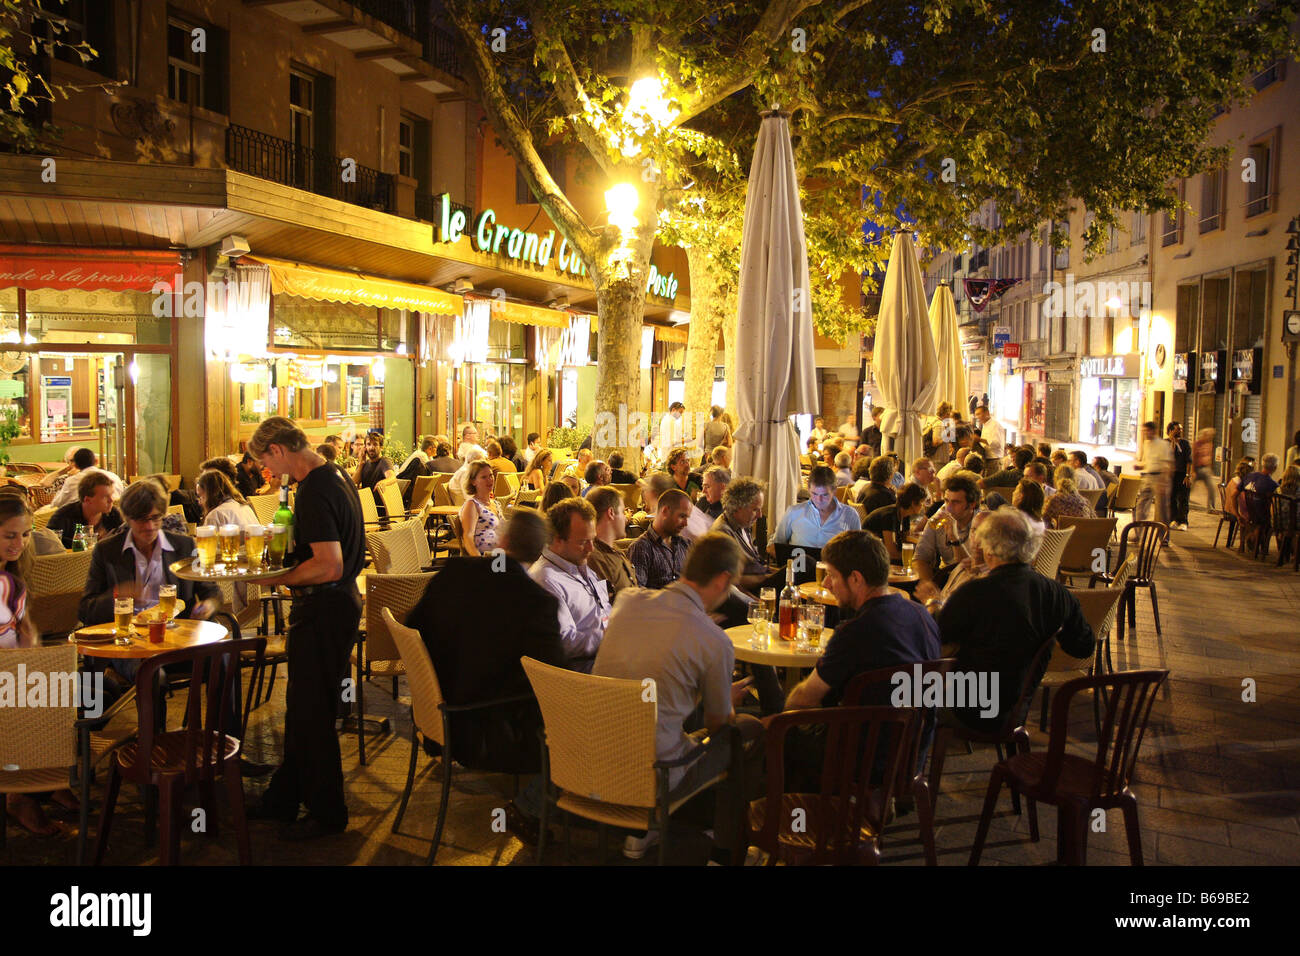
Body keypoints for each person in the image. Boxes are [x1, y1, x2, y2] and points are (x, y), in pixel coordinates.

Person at [594, 532, 764, 864]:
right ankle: (726, 852)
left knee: (665, 720)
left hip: (592, 764)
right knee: (748, 730)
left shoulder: (627, 601)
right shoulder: (714, 640)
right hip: (653, 777)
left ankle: (643, 830)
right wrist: (724, 699)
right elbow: (719, 726)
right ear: (724, 580)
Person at [245, 417, 365, 840]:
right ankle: (283, 800)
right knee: (304, 710)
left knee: (313, 714)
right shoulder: (334, 474)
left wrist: (272, 579)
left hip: (326, 607)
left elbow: (328, 563)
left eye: (264, 459)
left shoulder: (315, 488)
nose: (266, 469)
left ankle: (328, 812)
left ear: (277, 449)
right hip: (341, 602)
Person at [406, 508, 564, 777]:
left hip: (434, 710)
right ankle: (538, 803)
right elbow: (553, 676)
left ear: (501, 541)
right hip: (490, 732)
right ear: (540, 552)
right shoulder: (537, 602)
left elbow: (414, 628)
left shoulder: (454, 571)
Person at [935, 507, 1093, 732]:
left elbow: (933, 643)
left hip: (967, 706)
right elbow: (1083, 647)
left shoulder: (975, 592)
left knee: (894, 686)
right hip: (1018, 708)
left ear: (989, 549)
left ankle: (905, 759)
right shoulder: (1057, 594)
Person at [785, 529, 941, 718]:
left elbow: (803, 700)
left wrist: (775, 721)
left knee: (766, 730)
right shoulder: (923, 615)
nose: (826, 583)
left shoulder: (855, 632)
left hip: (859, 744)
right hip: (916, 741)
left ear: (856, 579)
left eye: (832, 575)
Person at [531, 497, 610, 672]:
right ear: (557, 540)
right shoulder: (545, 580)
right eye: (583, 542)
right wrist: (611, 637)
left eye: (593, 540)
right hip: (586, 677)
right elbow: (566, 643)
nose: (591, 549)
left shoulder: (576, 562)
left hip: (608, 657)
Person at [771, 466, 861, 554]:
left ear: (834, 490)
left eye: (825, 495)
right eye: (814, 494)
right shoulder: (794, 512)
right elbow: (774, 545)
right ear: (808, 489)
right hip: (800, 567)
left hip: (832, 567)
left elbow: (857, 551)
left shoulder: (850, 515)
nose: (819, 500)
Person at [912, 472, 980, 587]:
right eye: (947, 501)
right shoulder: (937, 521)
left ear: (972, 504)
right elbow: (920, 559)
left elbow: (972, 570)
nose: (948, 507)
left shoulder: (984, 525)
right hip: (946, 581)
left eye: (956, 502)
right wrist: (931, 589)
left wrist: (954, 538)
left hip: (974, 585)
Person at [711, 477, 776, 593]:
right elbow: (731, 581)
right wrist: (766, 578)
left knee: (800, 567)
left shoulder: (743, 524)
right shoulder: (722, 533)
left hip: (764, 578)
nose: (760, 515)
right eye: (755, 510)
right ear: (737, 507)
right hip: (756, 590)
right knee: (806, 564)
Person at [628, 488, 693, 589]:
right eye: (682, 516)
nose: (686, 523)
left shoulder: (686, 545)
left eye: (687, 518)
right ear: (665, 511)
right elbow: (637, 595)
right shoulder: (641, 548)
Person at [47, 470, 123, 548]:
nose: (111, 500)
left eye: (111, 495)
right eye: (105, 497)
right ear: (87, 500)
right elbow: (49, 545)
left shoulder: (113, 514)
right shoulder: (63, 517)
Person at [586, 486, 636, 600]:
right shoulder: (594, 559)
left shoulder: (614, 549)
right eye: (623, 512)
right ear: (611, 513)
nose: (625, 518)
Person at [863, 482, 928, 564]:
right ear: (913, 503)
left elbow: (905, 541)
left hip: (880, 552)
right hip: (869, 555)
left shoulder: (904, 515)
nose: (923, 506)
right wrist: (914, 558)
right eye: (922, 502)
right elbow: (891, 553)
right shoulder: (889, 516)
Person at [48, 448, 125, 510]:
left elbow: (55, 505)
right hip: (116, 518)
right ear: (96, 461)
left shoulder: (72, 481)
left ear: (76, 465)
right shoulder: (113, 476)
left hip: (84, 522)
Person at [456, 459, 503, 557]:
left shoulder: (496, 504)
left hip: (499, 557)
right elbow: (467, 537)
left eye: (491, 475)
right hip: (485, 560)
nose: (489, 480)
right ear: (473, 482)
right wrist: (480, 562)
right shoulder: (472, 505)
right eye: (484, 477)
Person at [1134, 420, 1173, 530]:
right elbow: (1147, 461)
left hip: (1160, 477)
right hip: (1147, 476)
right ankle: (1137, 532)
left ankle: (1164, 537)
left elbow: (1167, 464)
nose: (1145, 433)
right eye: (1144, 431)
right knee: (1140, 505)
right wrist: (1140, 466)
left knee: (1162, 510)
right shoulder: (1146, 444)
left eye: (1147, 431)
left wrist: (1163, 481)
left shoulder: (1163, 445)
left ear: (1154, 431)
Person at [1167, 422, 1193, 531]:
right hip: (1170, 475)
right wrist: (1172, 443)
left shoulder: (1185, 444)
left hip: (1182, 474)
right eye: (1178, 429)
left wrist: (1188, 475)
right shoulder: (1165, 443)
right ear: (1171, 430)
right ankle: (1173, 519)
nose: (1180, 431)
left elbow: (1189, 461)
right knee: (1171, 498)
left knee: (1183, 498)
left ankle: (1183, 521)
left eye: (1181, 429)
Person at [1190, 428, 1218, 513]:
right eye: (1208, 435)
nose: (1210, 437)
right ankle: (1182, 502)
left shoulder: (1209, 444)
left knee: (1212, 487)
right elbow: (1192, 458)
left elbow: (1209, 458)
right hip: (1196, 469)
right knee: (1189, 487)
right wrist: (1192, 471)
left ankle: (1211, 507)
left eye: (1211, 435)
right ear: (1203, 435)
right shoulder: (1196, 444)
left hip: (1206, 469)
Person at [1224, 458, 1254, 525]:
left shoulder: (1233, 480)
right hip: (1235, 512)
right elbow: (1243, 502)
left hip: (1228, 510)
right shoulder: (1239, 484)